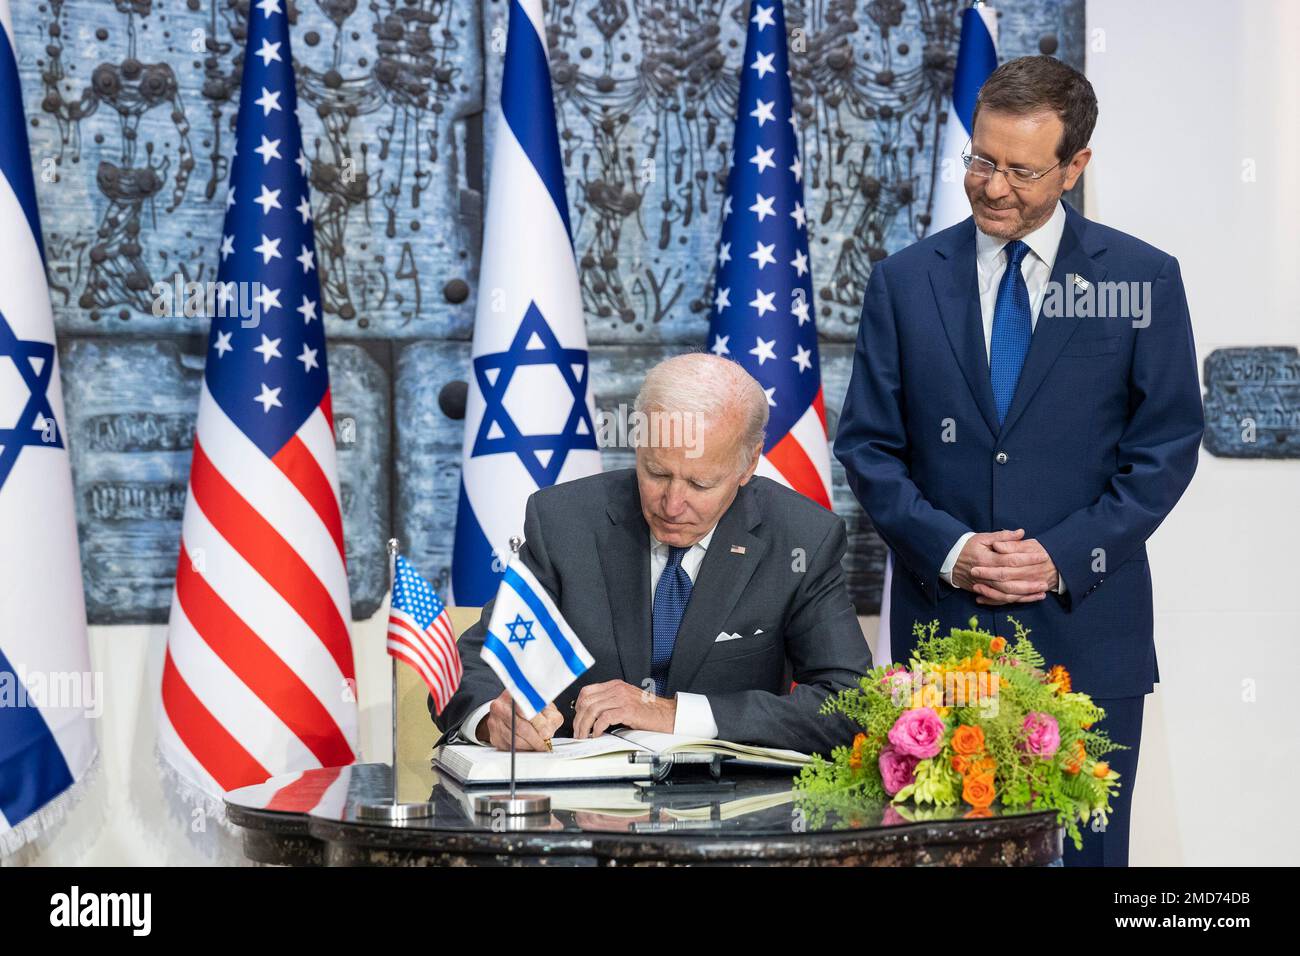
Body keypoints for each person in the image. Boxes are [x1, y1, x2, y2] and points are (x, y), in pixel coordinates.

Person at [834, 56, 1203, 866]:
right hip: (946, 642)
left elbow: (1166, 448)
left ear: (1076, 167)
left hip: (1088, 636)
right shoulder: (904, 283)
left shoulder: (1141, 279)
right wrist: (956, 550)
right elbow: (867, 445)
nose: (993, 187)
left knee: (1084, 858)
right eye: (980, 160)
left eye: (1021, 170)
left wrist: (1060, 555)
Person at [434, 353, 871, 756]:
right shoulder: (564, 521)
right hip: (577, 812)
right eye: (656, 473)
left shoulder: (801, 538)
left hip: (729, 817)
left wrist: (674, 714)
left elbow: (849, 703)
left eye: (700, 484)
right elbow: (473, 664)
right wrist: (492, 717)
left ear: (748, 464)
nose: (672, 504)